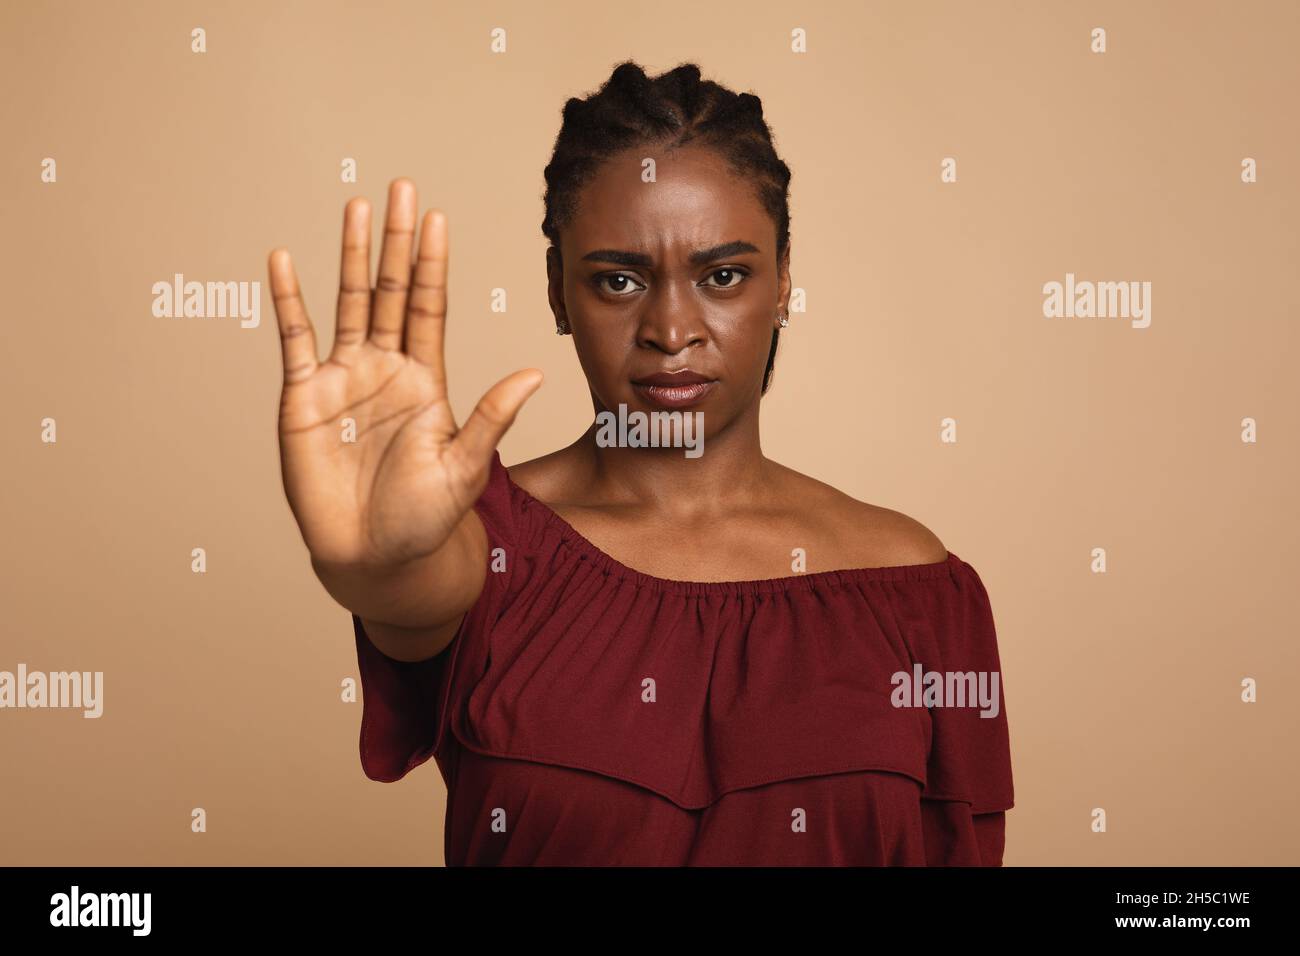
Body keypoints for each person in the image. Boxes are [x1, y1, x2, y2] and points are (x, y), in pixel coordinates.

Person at [266, 60, 1014, 866]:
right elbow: (415, 594)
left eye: (723, 276)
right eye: (619, 280)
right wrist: (381, 565)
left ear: (785, 278)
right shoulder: (486, 545)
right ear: (558, 291)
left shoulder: (919, 590)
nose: (670, 328)